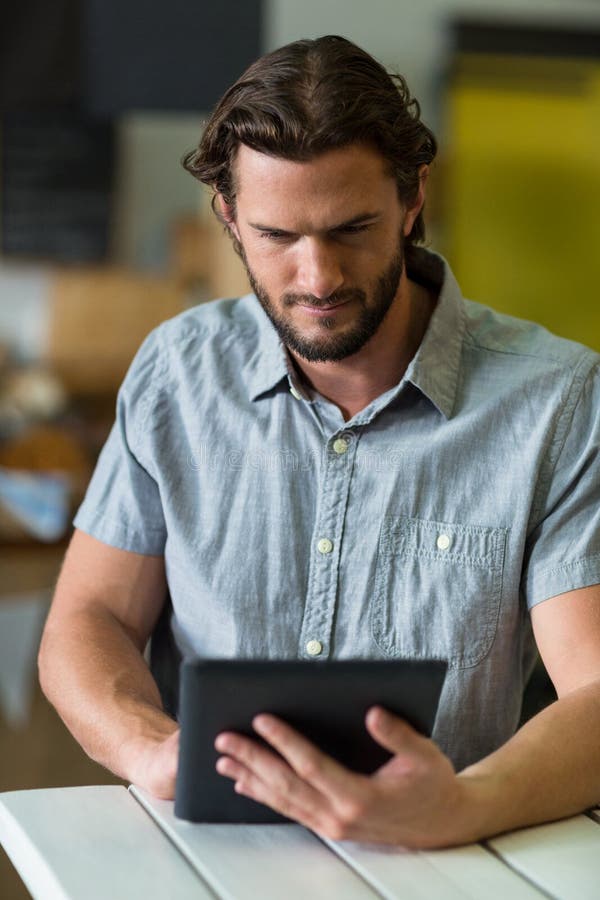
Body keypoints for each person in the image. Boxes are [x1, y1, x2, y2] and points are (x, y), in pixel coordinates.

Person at [38, 35, 600, 849]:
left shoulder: (559, 401)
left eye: (352, 228)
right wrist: (153, 752)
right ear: (229, 216)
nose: (318, 277)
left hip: (444, 862)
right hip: (205, 854)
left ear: (413, 198)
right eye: (276, 236)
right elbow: (90, 617)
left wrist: (463, 804)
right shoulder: (177, 372)